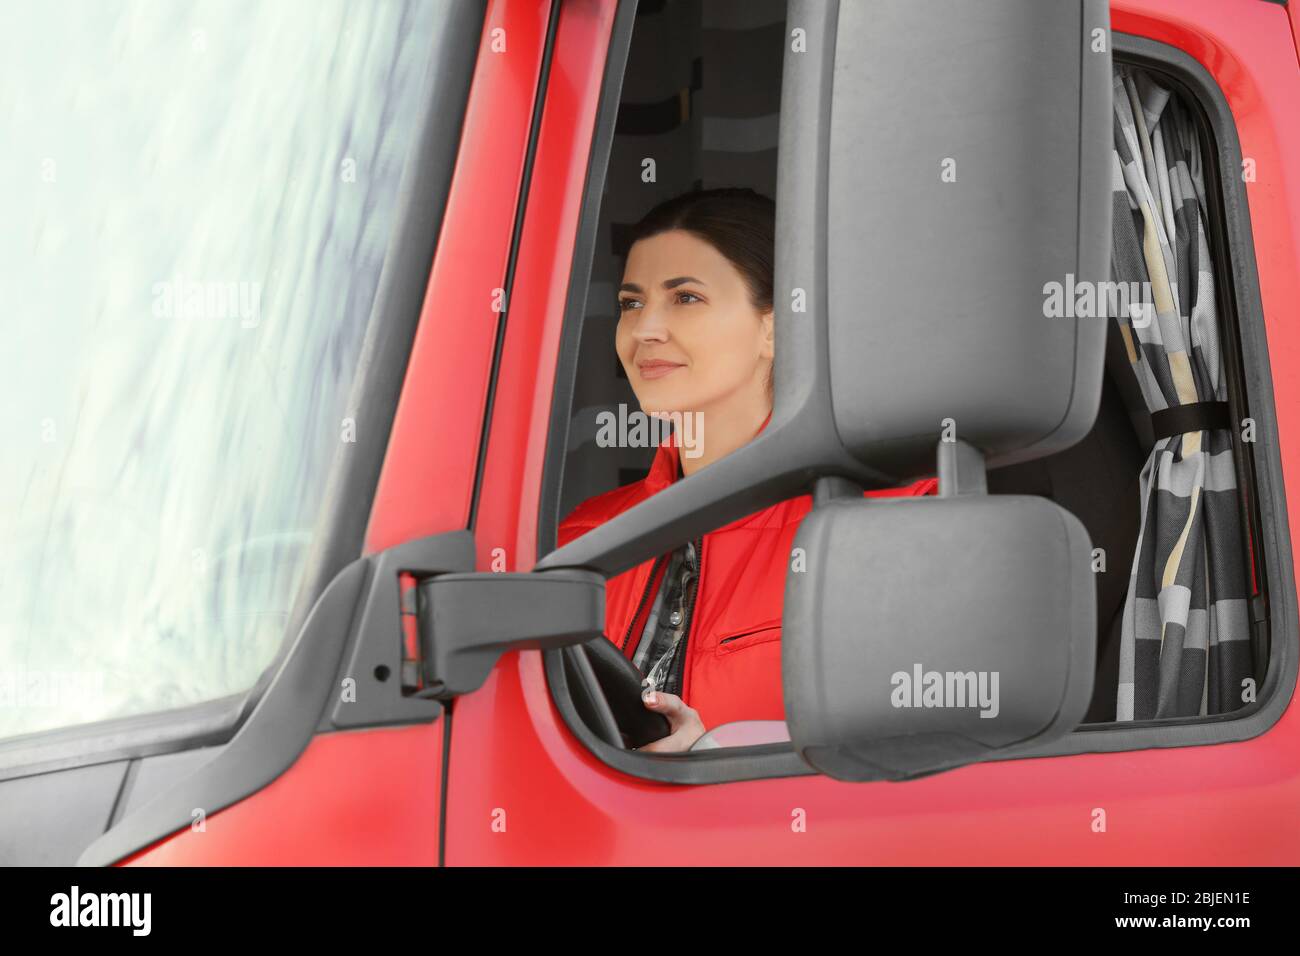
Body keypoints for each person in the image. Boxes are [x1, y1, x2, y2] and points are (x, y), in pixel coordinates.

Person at [557, 187, 937, 752]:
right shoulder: (580, 541)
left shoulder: (891, 524)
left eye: (684, 297)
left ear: (775, 327)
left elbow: (935, 753)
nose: (644, 331)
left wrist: (721, 753)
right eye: (631, 303)